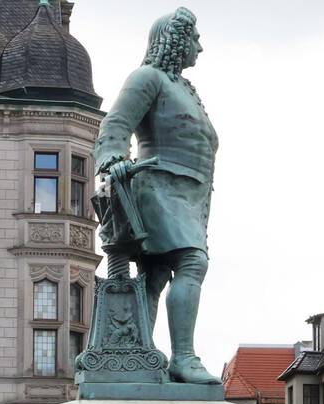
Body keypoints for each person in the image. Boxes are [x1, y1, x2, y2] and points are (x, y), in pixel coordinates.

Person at [93, 6, 219, 384]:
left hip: (190, 194)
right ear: (177, 40)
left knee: (155, 274)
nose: (200, 46)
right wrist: (113, 157)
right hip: (159, 187)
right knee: (192, 262)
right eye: (194, 37)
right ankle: (183, 357)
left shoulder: (183, 87)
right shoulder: (148, 78)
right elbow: (115, 124)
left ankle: (141, 355)